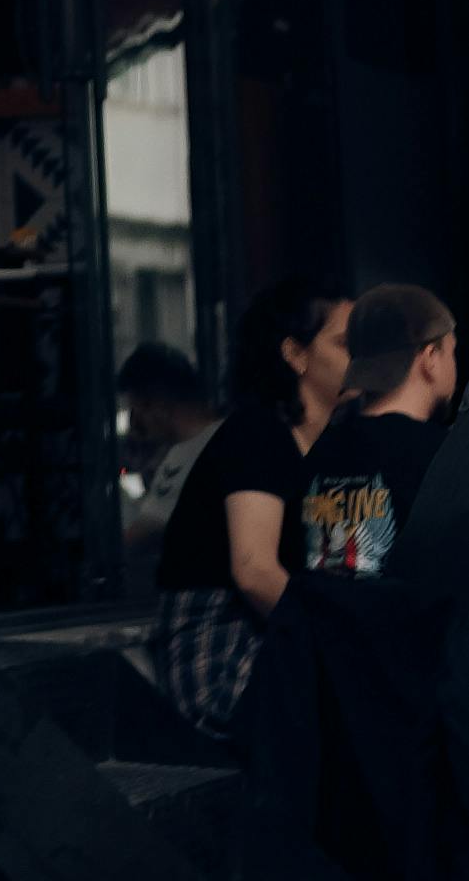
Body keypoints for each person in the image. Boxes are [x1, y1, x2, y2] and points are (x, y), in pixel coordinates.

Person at [146, 284, 349, 736]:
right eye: (344, 342)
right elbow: (254, 571)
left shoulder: (332, 446)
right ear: (296, 355)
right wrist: (343, 641)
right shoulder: (258, 433)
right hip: (220, 645)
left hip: (277, 637)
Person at [296, 284, 458, 584]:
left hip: (324, 627)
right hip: (409, 629)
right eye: (452, 350)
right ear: (431, 358)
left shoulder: (321, 450)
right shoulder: (442, 457)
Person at [114, 340, 217, 569]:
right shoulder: (187, 449)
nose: (137, 421)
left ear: (158, 403)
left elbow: (145, 532)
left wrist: (103, 554)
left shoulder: (193, 453)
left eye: (138, 408)